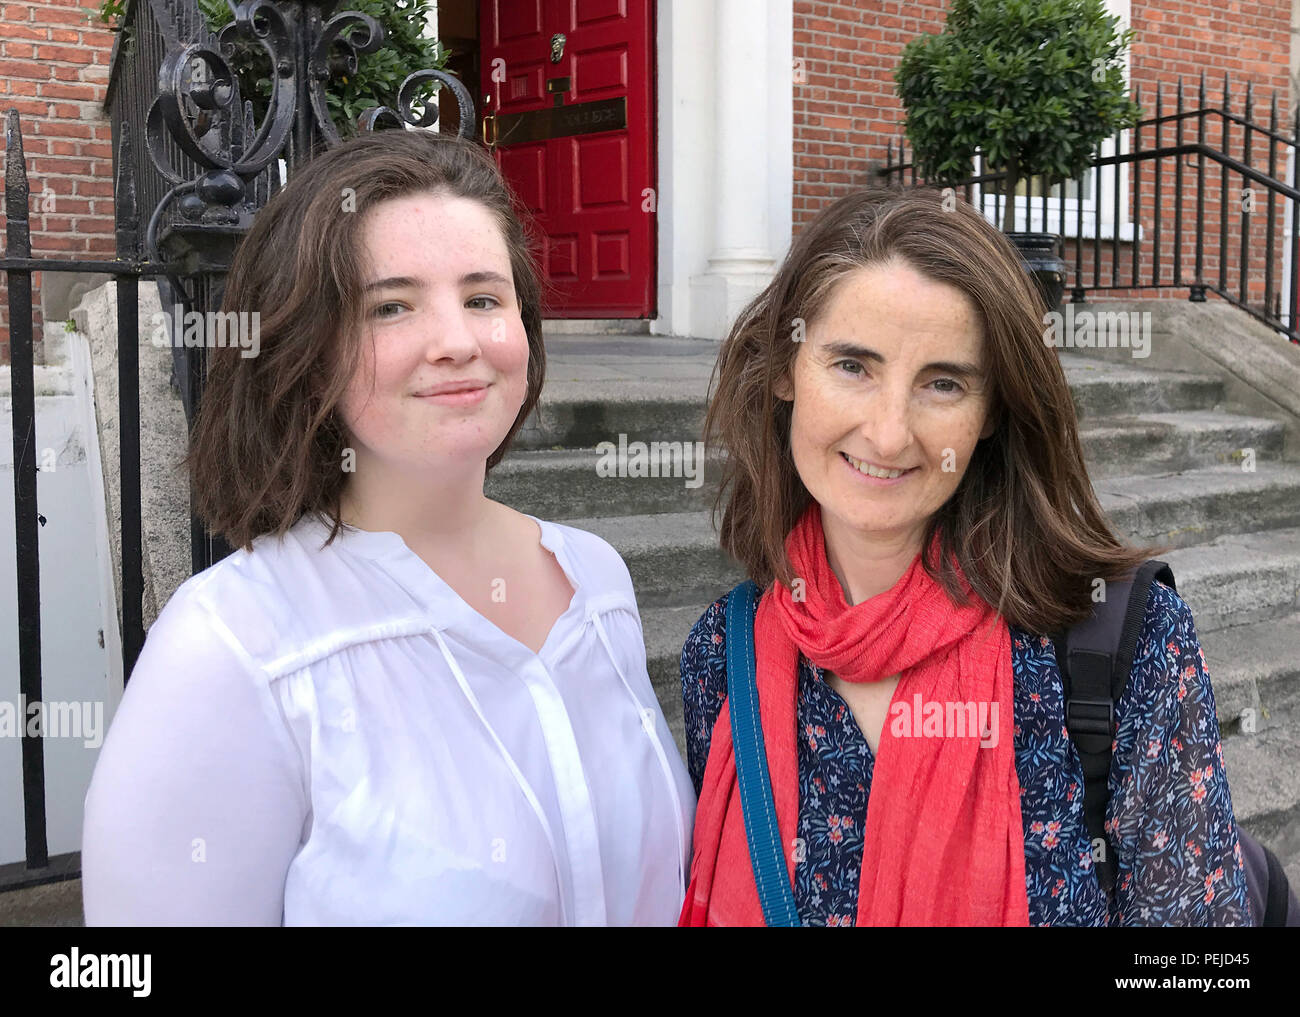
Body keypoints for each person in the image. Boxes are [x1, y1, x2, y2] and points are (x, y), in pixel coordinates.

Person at [81, 129, 694, 926]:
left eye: (483, 297)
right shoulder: (233, 645)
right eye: (391, 306)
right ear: (307, 346)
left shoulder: (596, 578)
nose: (456, 342)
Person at [679, 187, 1251, 927]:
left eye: (943, 382)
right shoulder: (723, 656)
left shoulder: (1122, 647)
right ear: (787, 369)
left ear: (990, 415)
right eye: (852, 364)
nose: (888, 434)